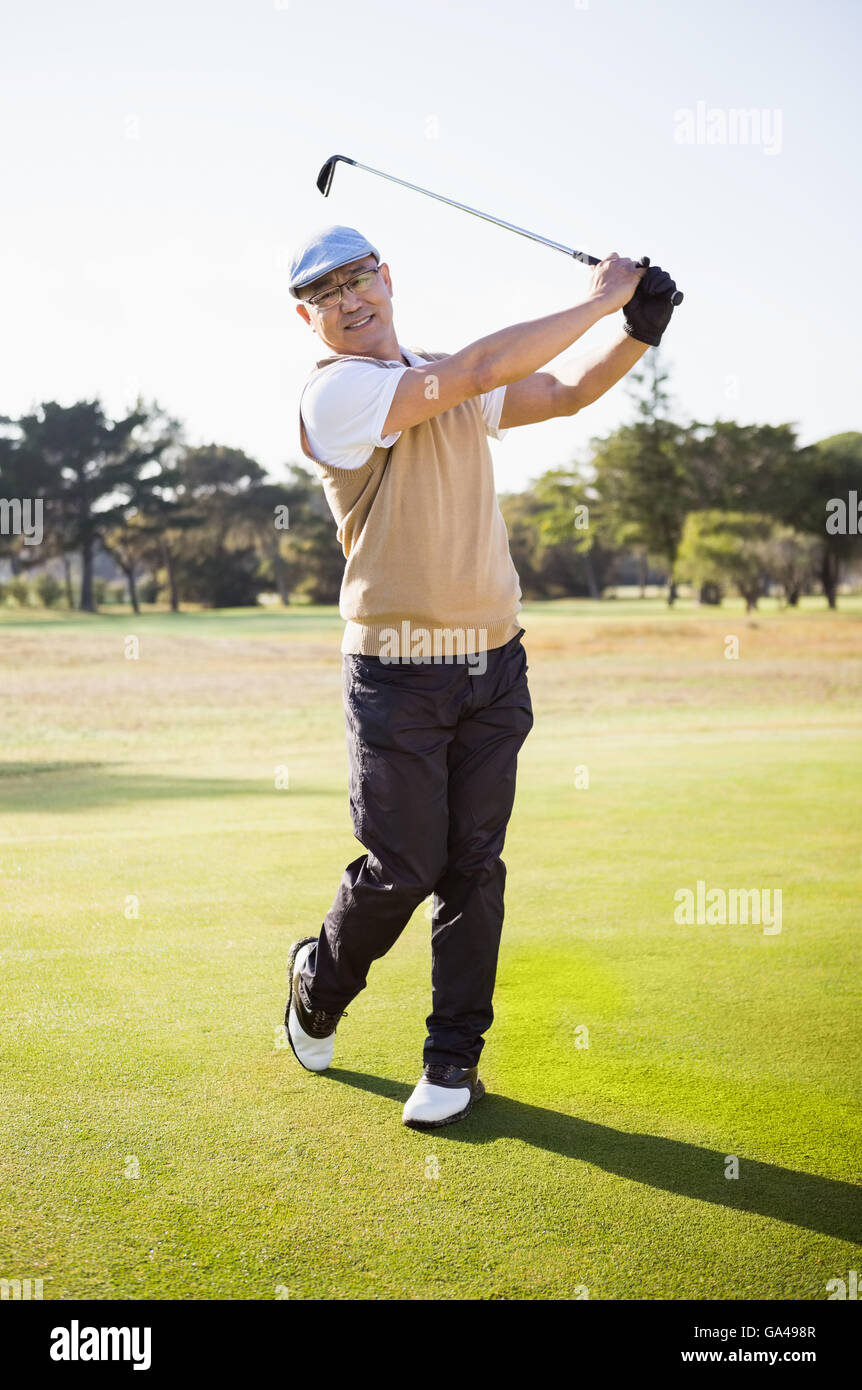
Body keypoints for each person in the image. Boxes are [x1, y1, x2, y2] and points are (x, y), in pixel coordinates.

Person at [284, 223, 678, 1129]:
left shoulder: (444, 372)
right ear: (309, 319)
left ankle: (453, 1062)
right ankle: (319, 982)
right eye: (327, 295)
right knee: (403, 866)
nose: (350, 301)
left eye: (359, 280)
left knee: (474, 868)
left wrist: (638, 331)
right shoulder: (338, 394)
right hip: (397, 675)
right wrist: (600, 297)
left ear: (388, 276)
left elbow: (566, 392)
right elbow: (470, 374)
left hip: (494, 663)